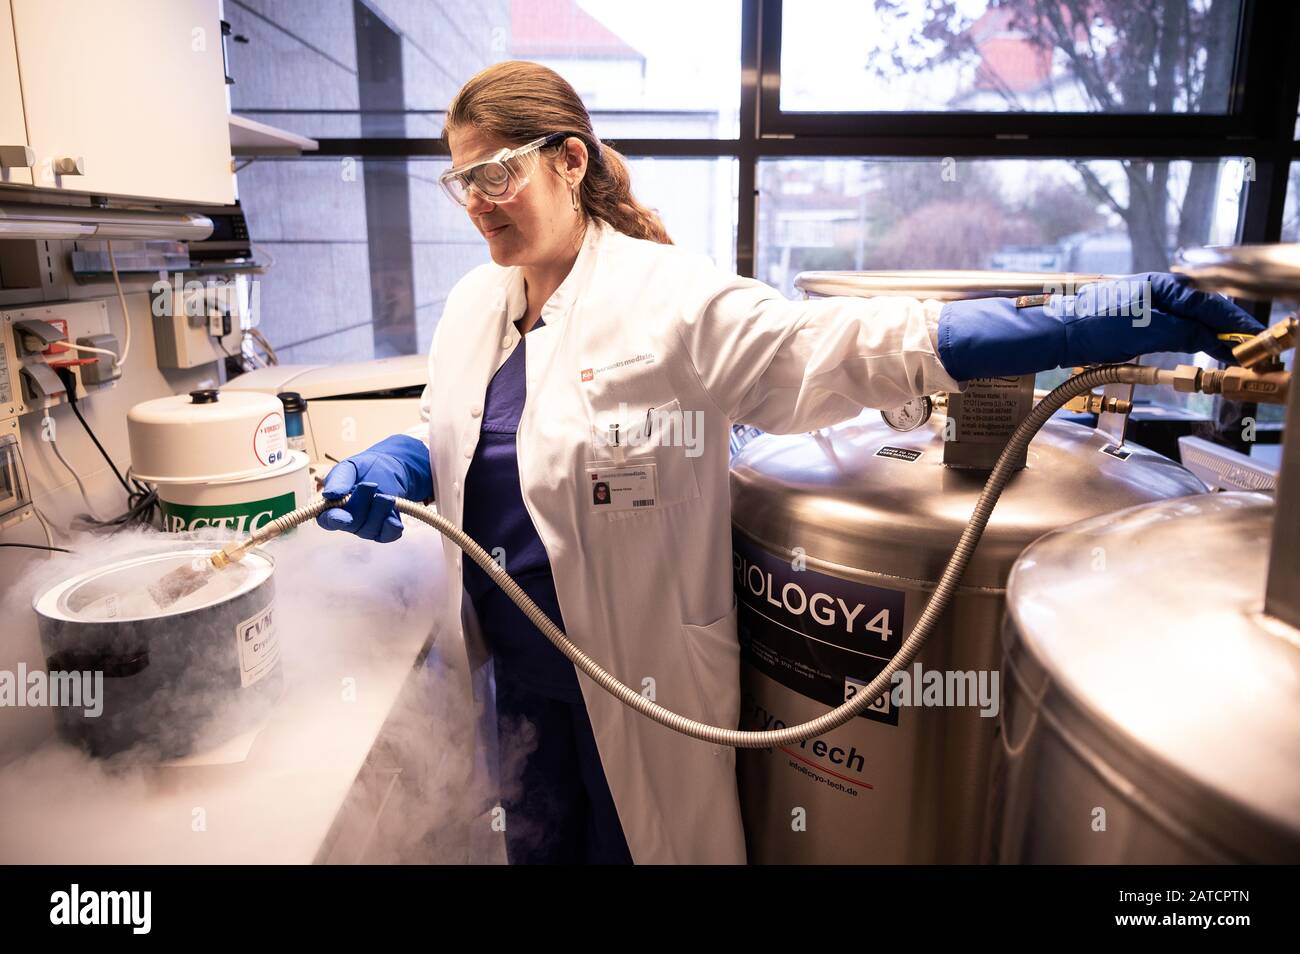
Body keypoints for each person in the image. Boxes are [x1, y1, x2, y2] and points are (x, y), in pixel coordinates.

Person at [316, 60, 1264, 865]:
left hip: (637, 688)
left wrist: (1083, 318)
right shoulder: (473, 306)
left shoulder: (669, 301)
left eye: (496, 173)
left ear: (569, 161)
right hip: (514, 677)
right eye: (461, 181)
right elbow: (472, 431)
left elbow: (849, 345)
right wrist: (398, 462)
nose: (478, 202)